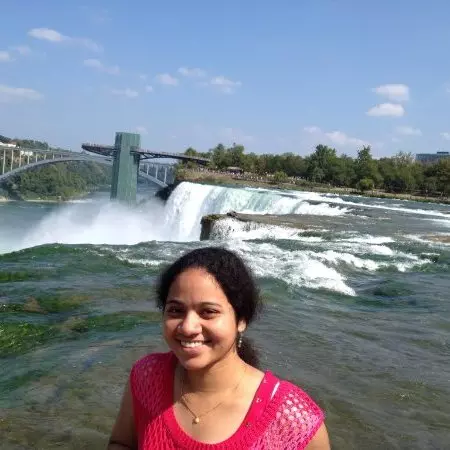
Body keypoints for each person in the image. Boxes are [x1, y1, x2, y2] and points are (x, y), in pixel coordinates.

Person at [107, 247, 330, 449]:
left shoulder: (293, 420)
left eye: (208, 312)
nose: (188, 327)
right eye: (175, 310)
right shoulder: (147, 377)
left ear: (241, 319)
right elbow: (122, 443)